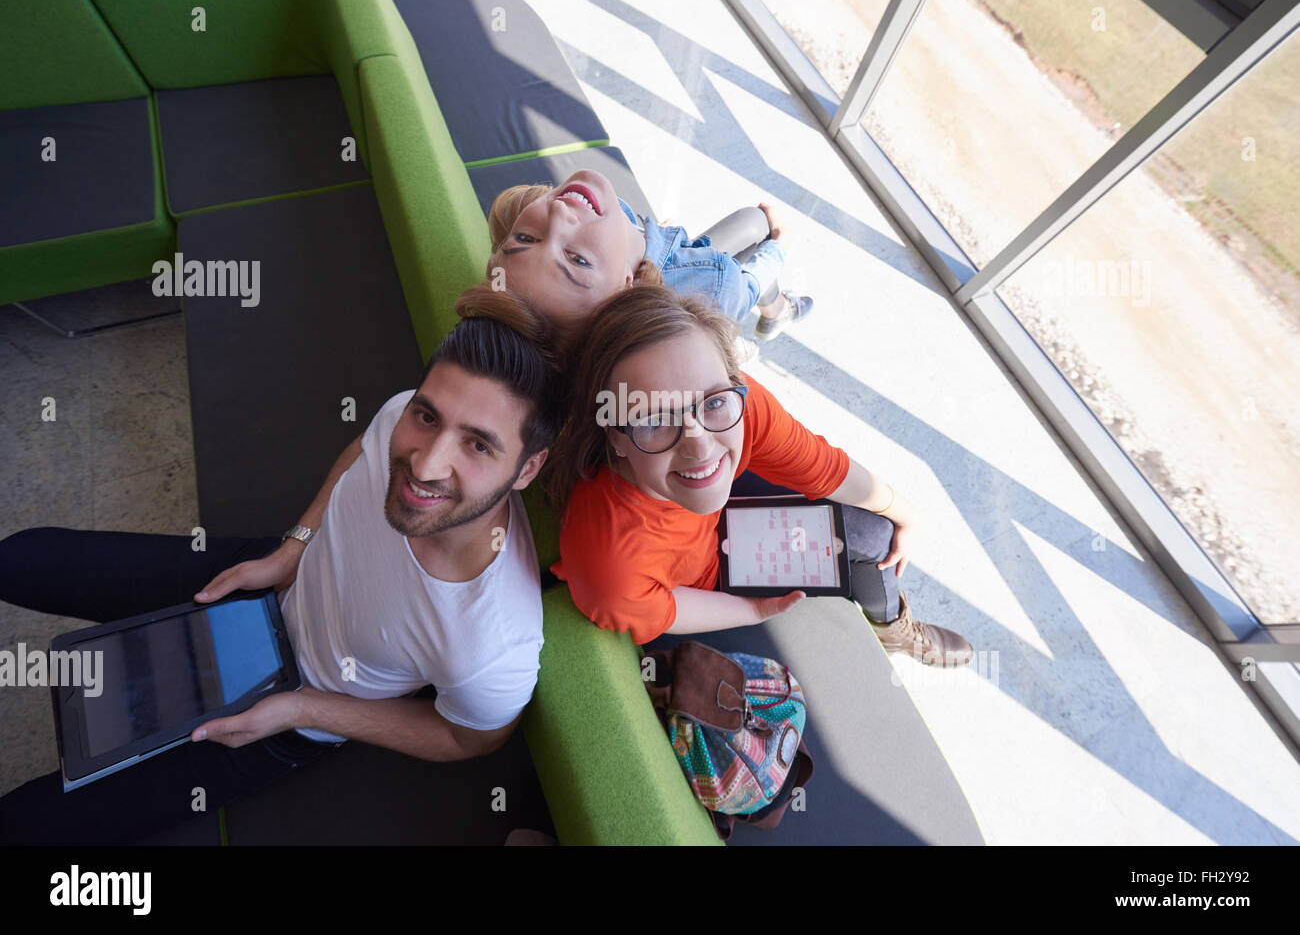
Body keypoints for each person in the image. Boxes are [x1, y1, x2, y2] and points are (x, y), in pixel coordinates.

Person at [0, 308, 562, 844]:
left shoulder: (494, 645)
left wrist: (303, 709)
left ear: (527, 468)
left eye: (478, 444)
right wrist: (294, 547)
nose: (425, 463)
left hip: (287, 706)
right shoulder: (402, 416)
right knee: (28, 556)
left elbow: (465, 736)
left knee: (34, 822)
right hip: (266, 580)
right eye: (428, 416)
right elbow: (359, 451)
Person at [544, 285, 973, 665]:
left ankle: (890, 626)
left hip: (716, 498)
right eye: (655, 420)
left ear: (732, 382)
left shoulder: (741, 406)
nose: (699, 443)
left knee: (876, 532)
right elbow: (664, 605)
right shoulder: (608, 565)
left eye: (712, 402)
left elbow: (822, 466)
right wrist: (752, 610)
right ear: (614, 436)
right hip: (708, 569)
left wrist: (905, 510)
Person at [484, 167, 813, 341]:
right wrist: (779, 247)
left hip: (661, 252)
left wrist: (642, 235)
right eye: (577, 260)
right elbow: (748, 287)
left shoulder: (586, 209)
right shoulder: (713, 286)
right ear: (625, 285)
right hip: (706, 284)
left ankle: (776, 312)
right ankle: (777, 312)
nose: (558, 213)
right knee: (757, 224)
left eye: (526, 238)